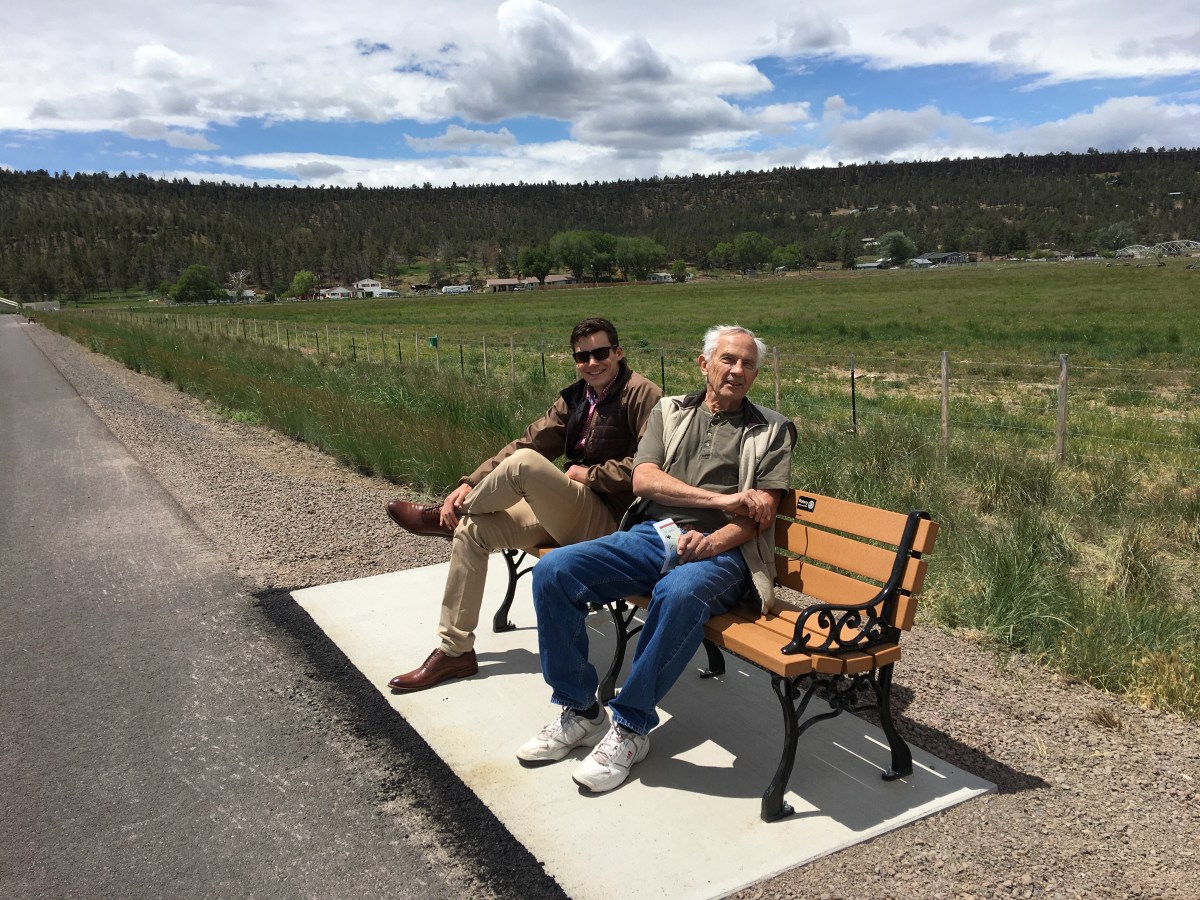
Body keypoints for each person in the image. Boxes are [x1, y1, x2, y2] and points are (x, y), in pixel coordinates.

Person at [518, 324, 795, 793]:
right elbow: (644, 480)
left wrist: (712, 539)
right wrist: (721, 500)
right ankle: (580, 709)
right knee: (553, 570)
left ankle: (630, 727)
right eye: (728, 359)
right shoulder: (670, 411)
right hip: (656, 535)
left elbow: (760, 514)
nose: (738, 370)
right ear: (704, 364)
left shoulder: (772, 429)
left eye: (748, 363)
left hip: (728, 553)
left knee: (679, 589)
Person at [385, 317, 662, 692]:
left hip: (616, 523)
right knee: (473, 531)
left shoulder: (643, 395)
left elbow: (651, 467)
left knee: (527, 467)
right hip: (571, 509)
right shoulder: (577, 397)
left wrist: (590, 474)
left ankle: (442, 517)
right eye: (583, 357)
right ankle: (456, 651)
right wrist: (469, 481)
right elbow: (526, 441)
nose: (592, 363)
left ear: (618, 352)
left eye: (600, 353)